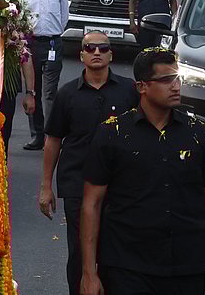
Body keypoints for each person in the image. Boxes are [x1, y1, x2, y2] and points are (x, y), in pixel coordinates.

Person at [80, 48, 205, 295]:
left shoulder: (197, 133)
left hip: (187, 264)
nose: (175, 86)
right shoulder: (112, 134)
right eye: (165, 80)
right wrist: (89, 273)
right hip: (127, 265)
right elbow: (92, 204)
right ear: (142, 87)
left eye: (177, 78)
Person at [39, 31, 139, 295]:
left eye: (102, 48)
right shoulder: (67, 94)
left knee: (117, 250)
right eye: (90, 48)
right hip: (77, 184)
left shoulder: (130, 90)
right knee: (81, 251)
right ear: (81, 54)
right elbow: (53, 141)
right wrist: (46, 186)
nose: (96, 52)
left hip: (121, 185)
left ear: (111, 55)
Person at [21, 0, 70, 151]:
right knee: (32, 90)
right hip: (31, 45)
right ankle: (37, 136)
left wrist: (54, 33)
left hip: (52, 43)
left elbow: (64, 16)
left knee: (49, 93)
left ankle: (52, 135)